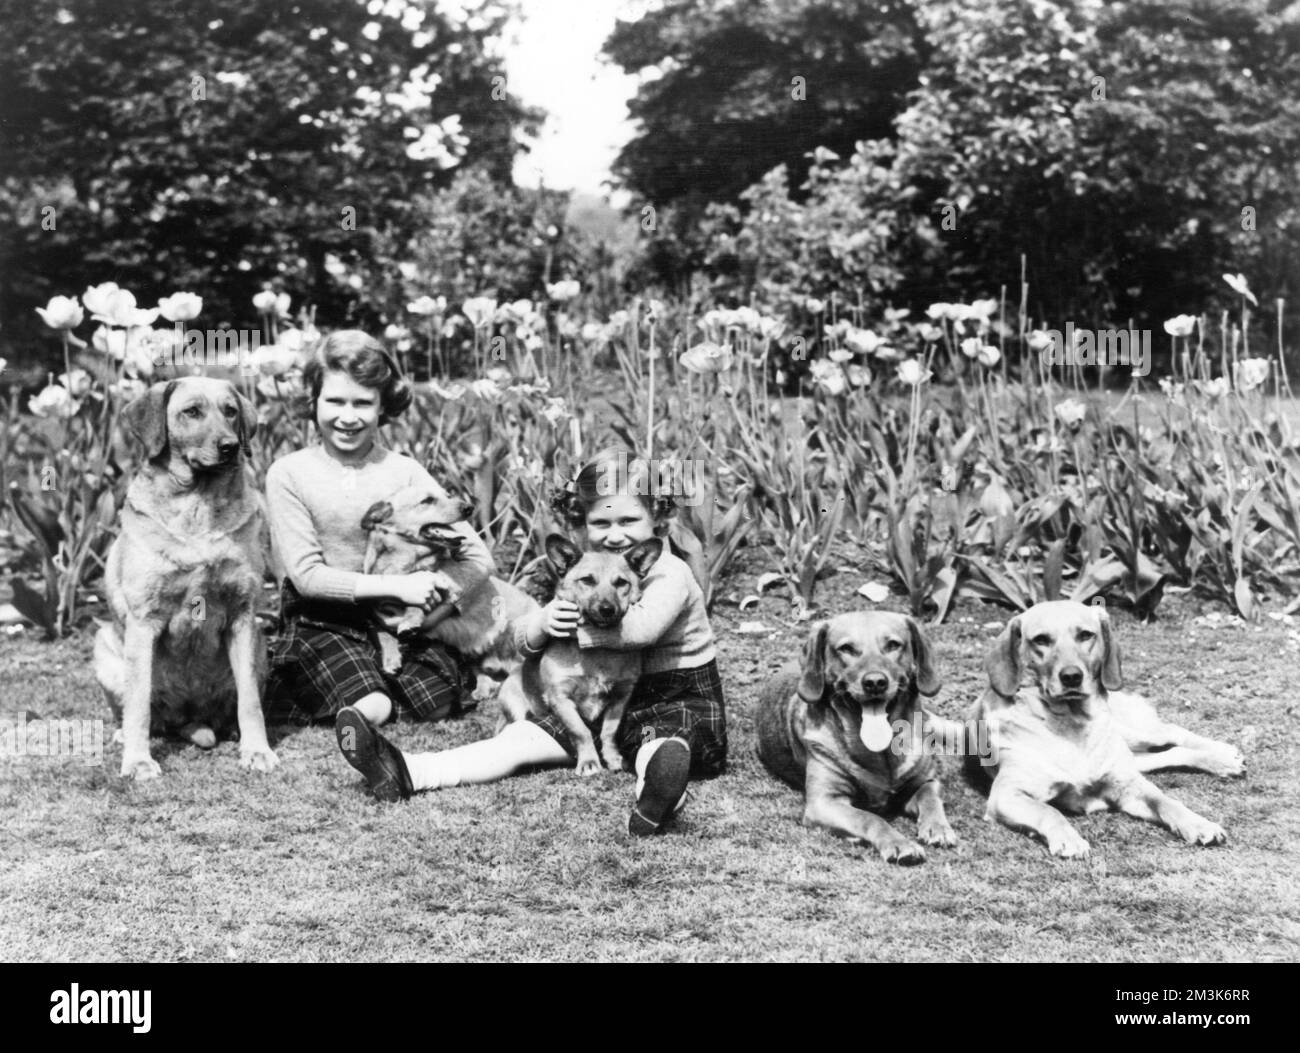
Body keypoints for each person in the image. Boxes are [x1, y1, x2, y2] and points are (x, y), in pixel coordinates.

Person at [336, 447, 728, 836]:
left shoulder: (667, 572)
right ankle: (411, 770)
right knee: (521, 741)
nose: (615, 535)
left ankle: (658, 792)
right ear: (581, 524)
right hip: (599, 705)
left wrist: (569, 624)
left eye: (629, 519)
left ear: (656, 518)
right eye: (601, 523)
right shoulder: (583, 571)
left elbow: (640, 630)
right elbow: (523, 638)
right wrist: (542, 623)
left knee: (657, 743)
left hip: (670, 700)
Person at [263, 329, 494, 751]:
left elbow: (479, 558)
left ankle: (350, 694)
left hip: (394, 617)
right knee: (369, 695)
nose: (347, 416)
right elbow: (306, 576)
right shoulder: (289, 473)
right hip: (323, 614)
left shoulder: (403, 472)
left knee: (435, 696)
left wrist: (429, 617)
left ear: (382, 406)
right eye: (334, 401)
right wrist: (396, 586)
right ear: (313, 401)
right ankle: (360, 719)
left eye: (362, 403)